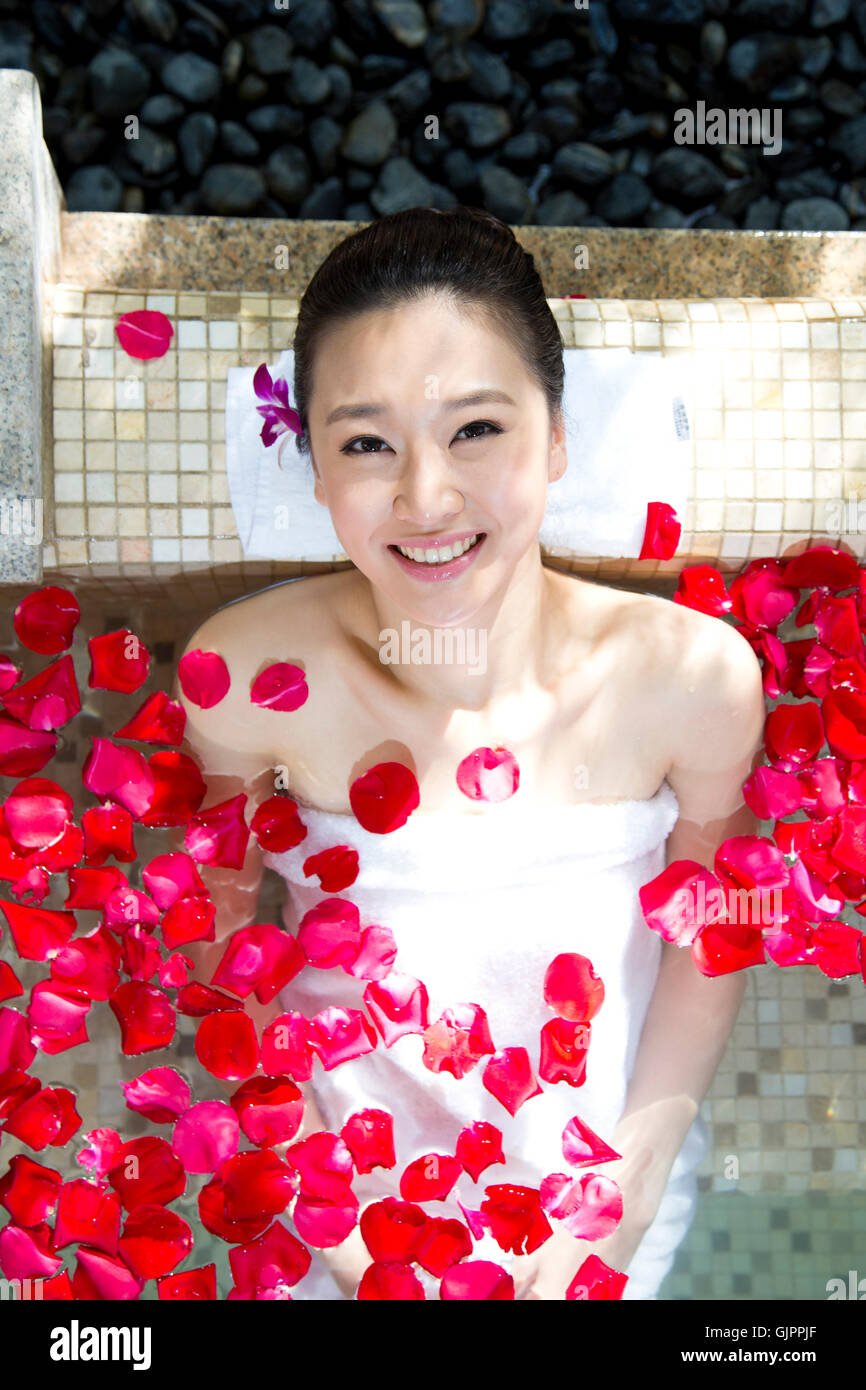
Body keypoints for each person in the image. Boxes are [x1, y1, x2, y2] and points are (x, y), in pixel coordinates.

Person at [174, 206, 766, 1300]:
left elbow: (715, 924)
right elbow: (223, 940)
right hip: (336, 1199)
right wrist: (330, 1220)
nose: (426, 496)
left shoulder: (691, 680)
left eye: (475, 430)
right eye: (365, 443)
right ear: (312, 466)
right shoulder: (247, 678)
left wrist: (625, 1191)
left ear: (555, 437)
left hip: (590, 1191)